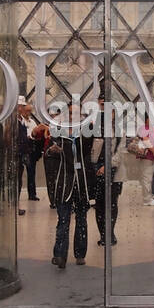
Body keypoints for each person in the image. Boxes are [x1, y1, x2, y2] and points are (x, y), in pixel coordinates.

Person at [51, 107, 94, 268]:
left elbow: (95, 150)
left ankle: (80, 254)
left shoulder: (87, 132)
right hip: (65, 182)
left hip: (81, 181)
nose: (72, 116)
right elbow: (48, 153)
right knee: (63, 220)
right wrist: (52, 150)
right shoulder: (57, 132)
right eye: (69, 113)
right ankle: (60, 254)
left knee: (81, 220)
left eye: (76, 113)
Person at [92, 98, 124, 246]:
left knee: (111, 204)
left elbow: (119, 154)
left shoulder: (120, 131)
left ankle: (109, 233)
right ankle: (103, 234)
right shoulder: (96, 129)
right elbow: (92, 152)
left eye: (110, 111)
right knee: (99, 205)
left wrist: (107, 166)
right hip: (98, 172)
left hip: (114, 173)